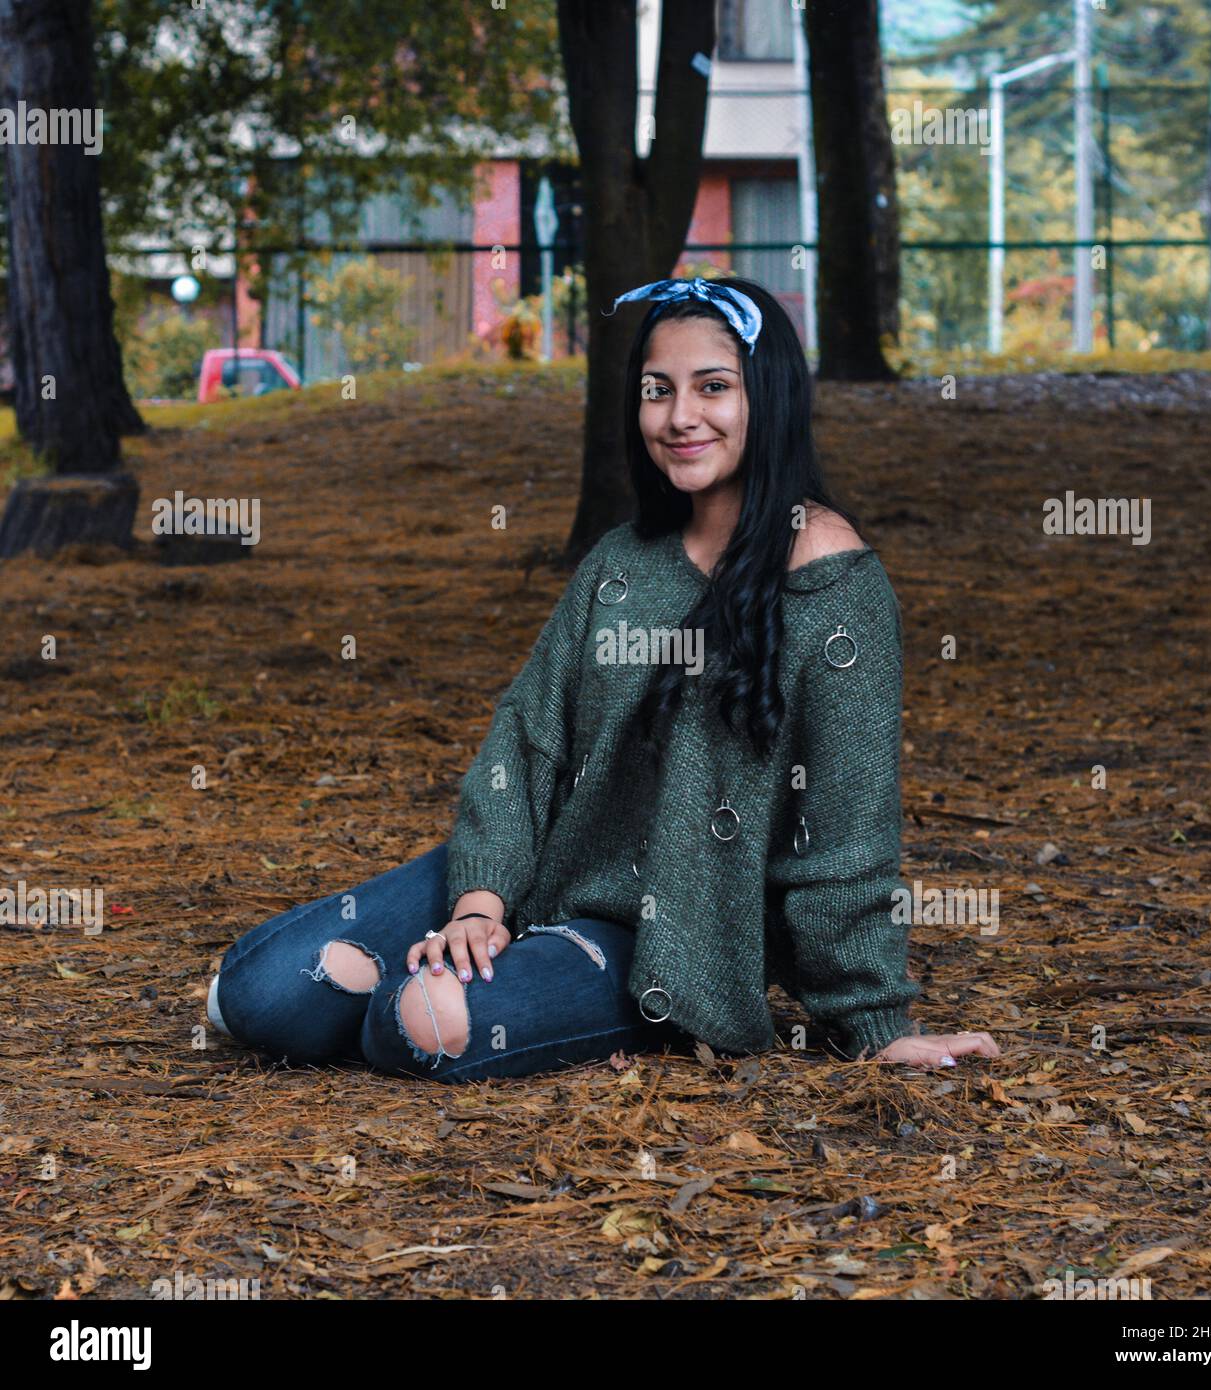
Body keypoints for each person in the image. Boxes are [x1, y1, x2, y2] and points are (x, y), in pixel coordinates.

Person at [207, 274, 1000, 1082]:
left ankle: (509, 994)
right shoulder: (622, 563)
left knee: (421, 1019)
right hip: (534, 867)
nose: (681, 417)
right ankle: (475, 973)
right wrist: (481, 902)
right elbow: (528, 739)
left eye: (713, 387)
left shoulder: (834, 587)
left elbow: (845, 834)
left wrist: (872, 1024)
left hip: (663, 936)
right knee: (262, 997)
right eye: (658, 391)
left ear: (770, 397)